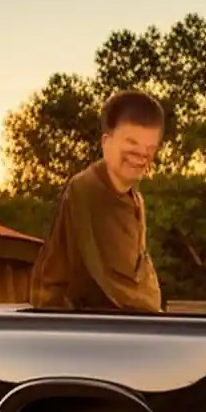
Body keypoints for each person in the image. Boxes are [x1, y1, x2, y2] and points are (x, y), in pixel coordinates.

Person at [28, 90, 165, 312]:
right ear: (106, 142)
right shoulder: (89, 190)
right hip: (80, 330)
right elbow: (118, 287)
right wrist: (158, 320)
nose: (140, 155)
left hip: (112, 327)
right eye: (131, 143)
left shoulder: (133, 197)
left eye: (149, 149)